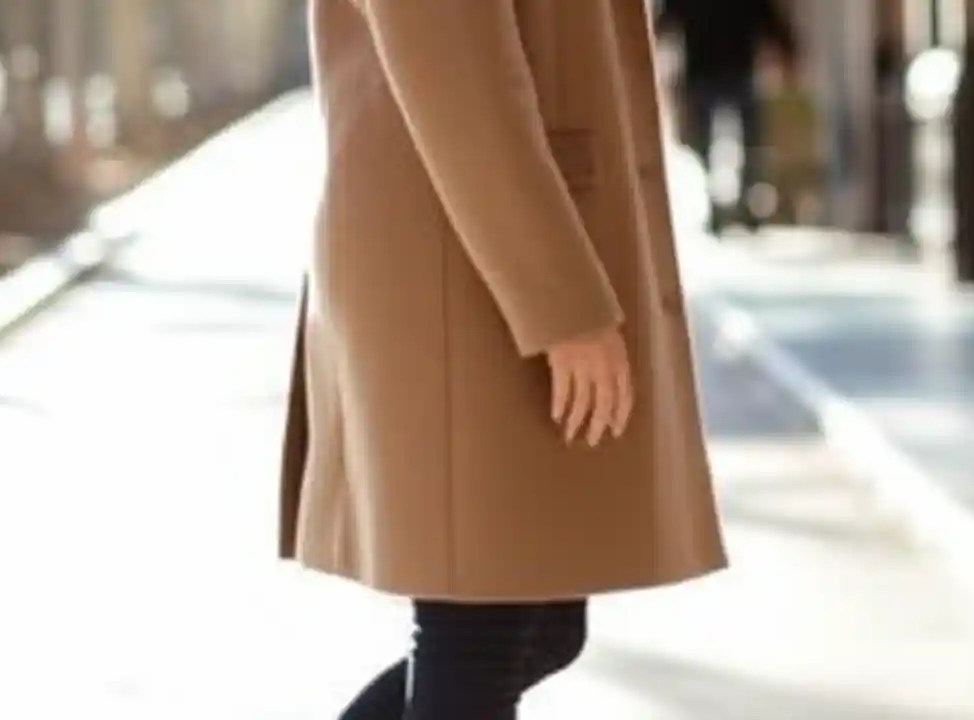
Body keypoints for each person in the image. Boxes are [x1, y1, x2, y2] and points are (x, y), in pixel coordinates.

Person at [278, 1, 728, 717]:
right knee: (482, 635)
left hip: (482, 256)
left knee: (537, 629)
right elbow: (456, 71)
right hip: (464, 269)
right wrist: (561, 302)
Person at [658, 0, 798, 231]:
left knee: (715, 141)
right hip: (727, 69)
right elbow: (768, 19)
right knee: (741, 140)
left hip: (712, 69)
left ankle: (734, 203)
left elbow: (666, 22)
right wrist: (787, 49)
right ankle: (739, 202)